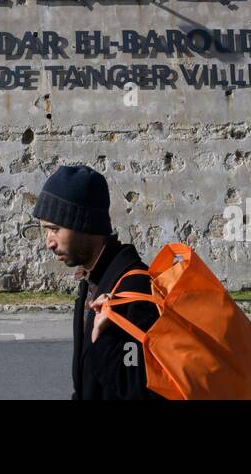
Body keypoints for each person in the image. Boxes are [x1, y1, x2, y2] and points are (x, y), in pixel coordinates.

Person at [32, 164, 166, 400]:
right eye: (45, 231)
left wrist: (102, 339)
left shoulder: (133, 290)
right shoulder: (92, 283)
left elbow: (143, 387)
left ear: (84, 223)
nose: (49, 243)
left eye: (55, 229)